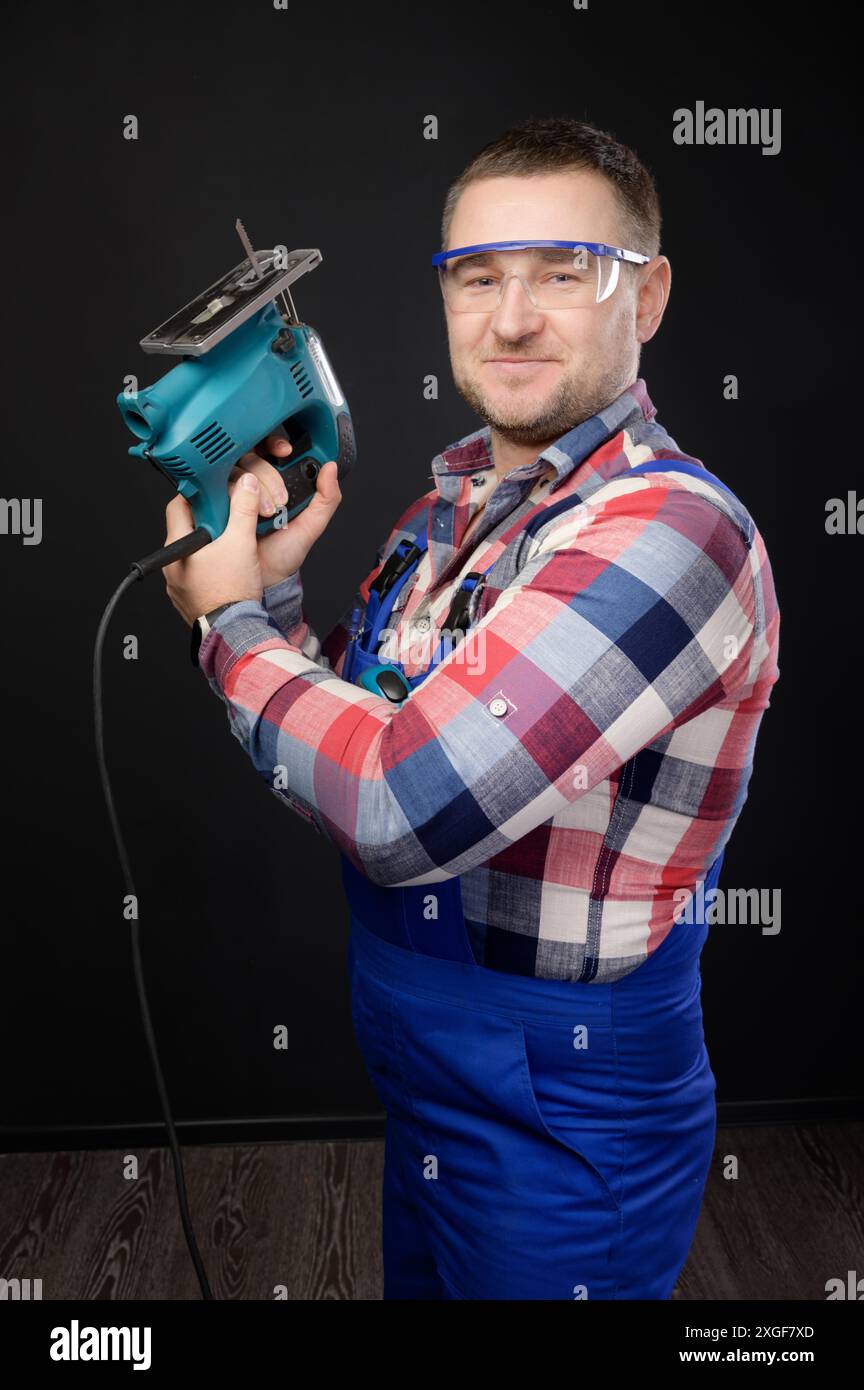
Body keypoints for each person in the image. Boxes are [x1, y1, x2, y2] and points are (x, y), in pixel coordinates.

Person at [162, 116, 781, 1300]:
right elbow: (347, 741)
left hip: (567, 1106)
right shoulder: (441, 515)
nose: (510, 318)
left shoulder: (673, 534)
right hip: (418, 1066)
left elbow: (397, 803)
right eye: (478, 276)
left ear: (645, 297)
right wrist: (274, 593)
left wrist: (229, 625)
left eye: (563, 272)